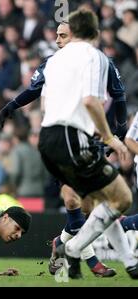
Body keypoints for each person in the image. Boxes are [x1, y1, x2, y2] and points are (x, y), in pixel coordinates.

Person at [0, 19, 129, 278]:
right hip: (61, 140)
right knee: (73, 200)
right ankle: (91, 261)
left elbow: (120, 94)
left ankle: (64, 243)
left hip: (91, 138)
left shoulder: (101, 63)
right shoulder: (53, 63)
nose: (57, 41)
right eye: (57, 35)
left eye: (63, 36)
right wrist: (12, 105)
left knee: (87, 205)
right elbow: (34, 89)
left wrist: (120, 131)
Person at [38, 9, 138, 279]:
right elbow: (91, 101)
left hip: (47, 140)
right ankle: (74, 247)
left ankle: (129, 262)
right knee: (123, 197)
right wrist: (109, 138)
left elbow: (44, 104)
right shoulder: (94, 56)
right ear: (95, 32)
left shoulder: (54, 60)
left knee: (100, 201)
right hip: (72, 138)